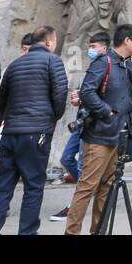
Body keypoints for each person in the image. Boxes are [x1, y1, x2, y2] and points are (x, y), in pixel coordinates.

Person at [0, 26, 68, 235]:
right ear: (49, 42)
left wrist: (12, 119)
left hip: (11, 132)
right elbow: (60, 96)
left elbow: (1, 101)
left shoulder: (15, 65)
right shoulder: (53, 61)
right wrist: (49, 119)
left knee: (3, 185)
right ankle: (27, 232)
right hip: (36, 132)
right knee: (33, 186)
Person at [66, 23, 132, 235]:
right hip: (99, 136)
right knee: (87, 187)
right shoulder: (104, 62)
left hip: (119, 136)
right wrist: (107, 112)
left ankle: (97, 231)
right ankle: (71, 232)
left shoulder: (128, 66)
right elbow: (87, 92)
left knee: (106, 189)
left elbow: (129, 98)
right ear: (127, 40)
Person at [50, 31, 111, 222]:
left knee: (82, 164)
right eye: (89, 46)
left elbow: (102, 96)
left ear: (104, 48)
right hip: (83, 121)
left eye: (94, 47)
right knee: (67, 158)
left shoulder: (109, 67)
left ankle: (76, 205)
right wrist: (80, 99)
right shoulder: (96, 66)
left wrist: (84, 98)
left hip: (94, 124)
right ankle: (87, 192)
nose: (90, 50)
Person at [0, 31, 35, 233]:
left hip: (26, 131)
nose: (26, 53)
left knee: (14, 182)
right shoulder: (17, 68)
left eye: (29, 49)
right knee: (5, 180)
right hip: (14, 130)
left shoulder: (30, 68)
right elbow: (3, 103)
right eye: (24, 50)